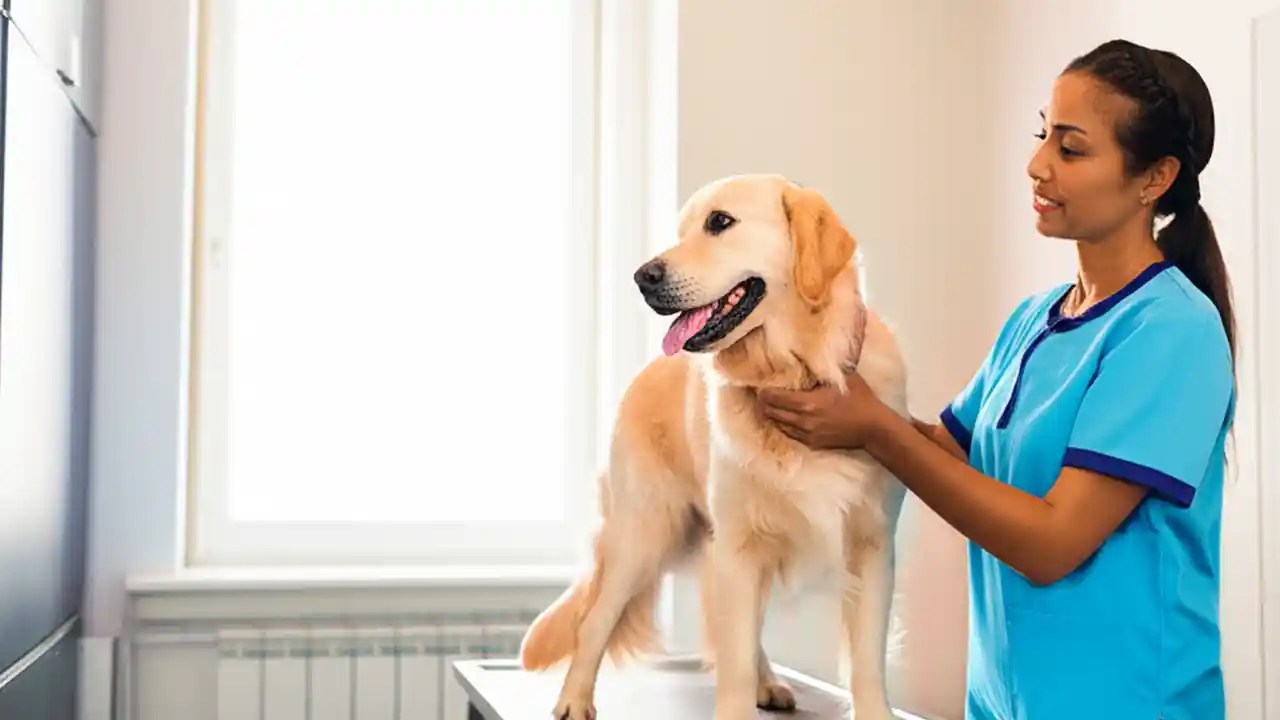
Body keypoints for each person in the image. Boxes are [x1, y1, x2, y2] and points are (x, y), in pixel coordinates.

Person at [757, 39, 1236, 720]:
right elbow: (950, 453)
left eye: (1070, 149)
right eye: (1043, 135)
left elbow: (1049, 544)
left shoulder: (1170, 333)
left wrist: (872, 427)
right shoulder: (1036, 319)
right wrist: (830, 382)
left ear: (1152, 178)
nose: (1037, 166)